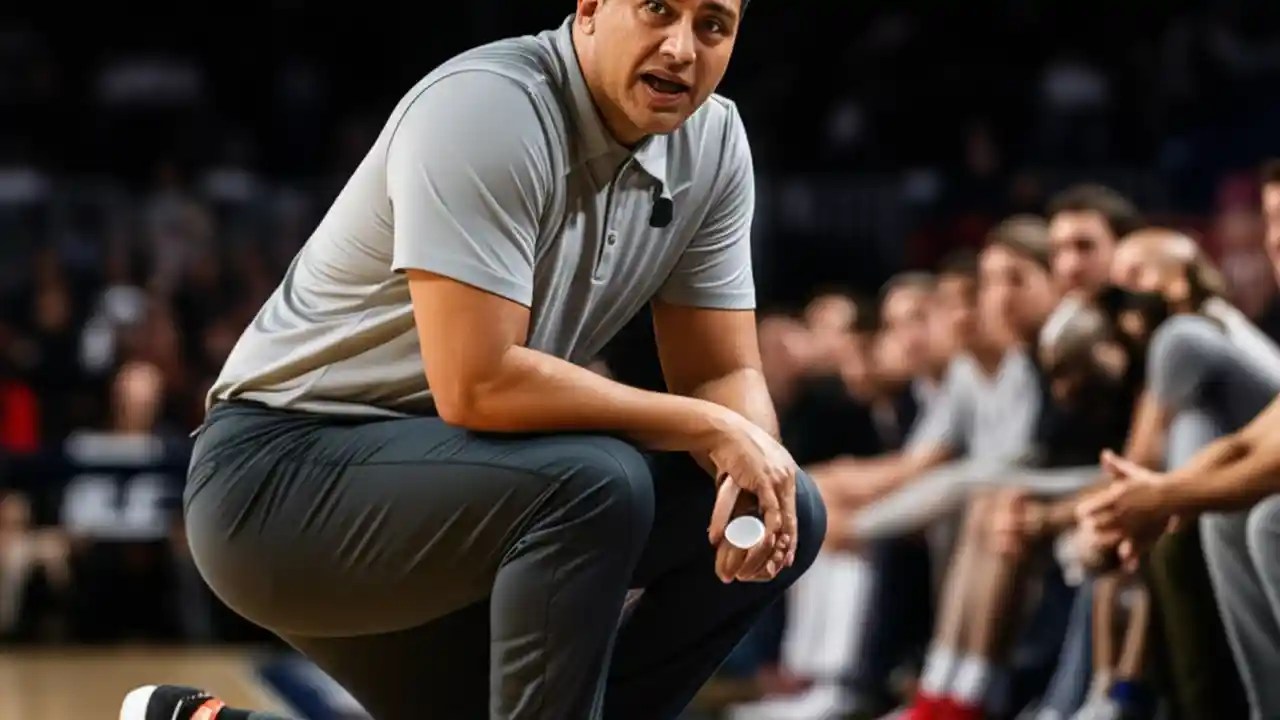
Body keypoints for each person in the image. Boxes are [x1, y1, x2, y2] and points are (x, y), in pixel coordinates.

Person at [120, 3, 829, 720]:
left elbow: (719, 373)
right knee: (597, 482)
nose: (681, 48)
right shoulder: (489, 105)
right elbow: (478, 384)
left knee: (786, 502)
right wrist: (711, 427)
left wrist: (750, 469)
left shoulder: (712, 142)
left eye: (712, 25)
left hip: (472, 482)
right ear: (589, 9)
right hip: (279, 483)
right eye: (657, 10)